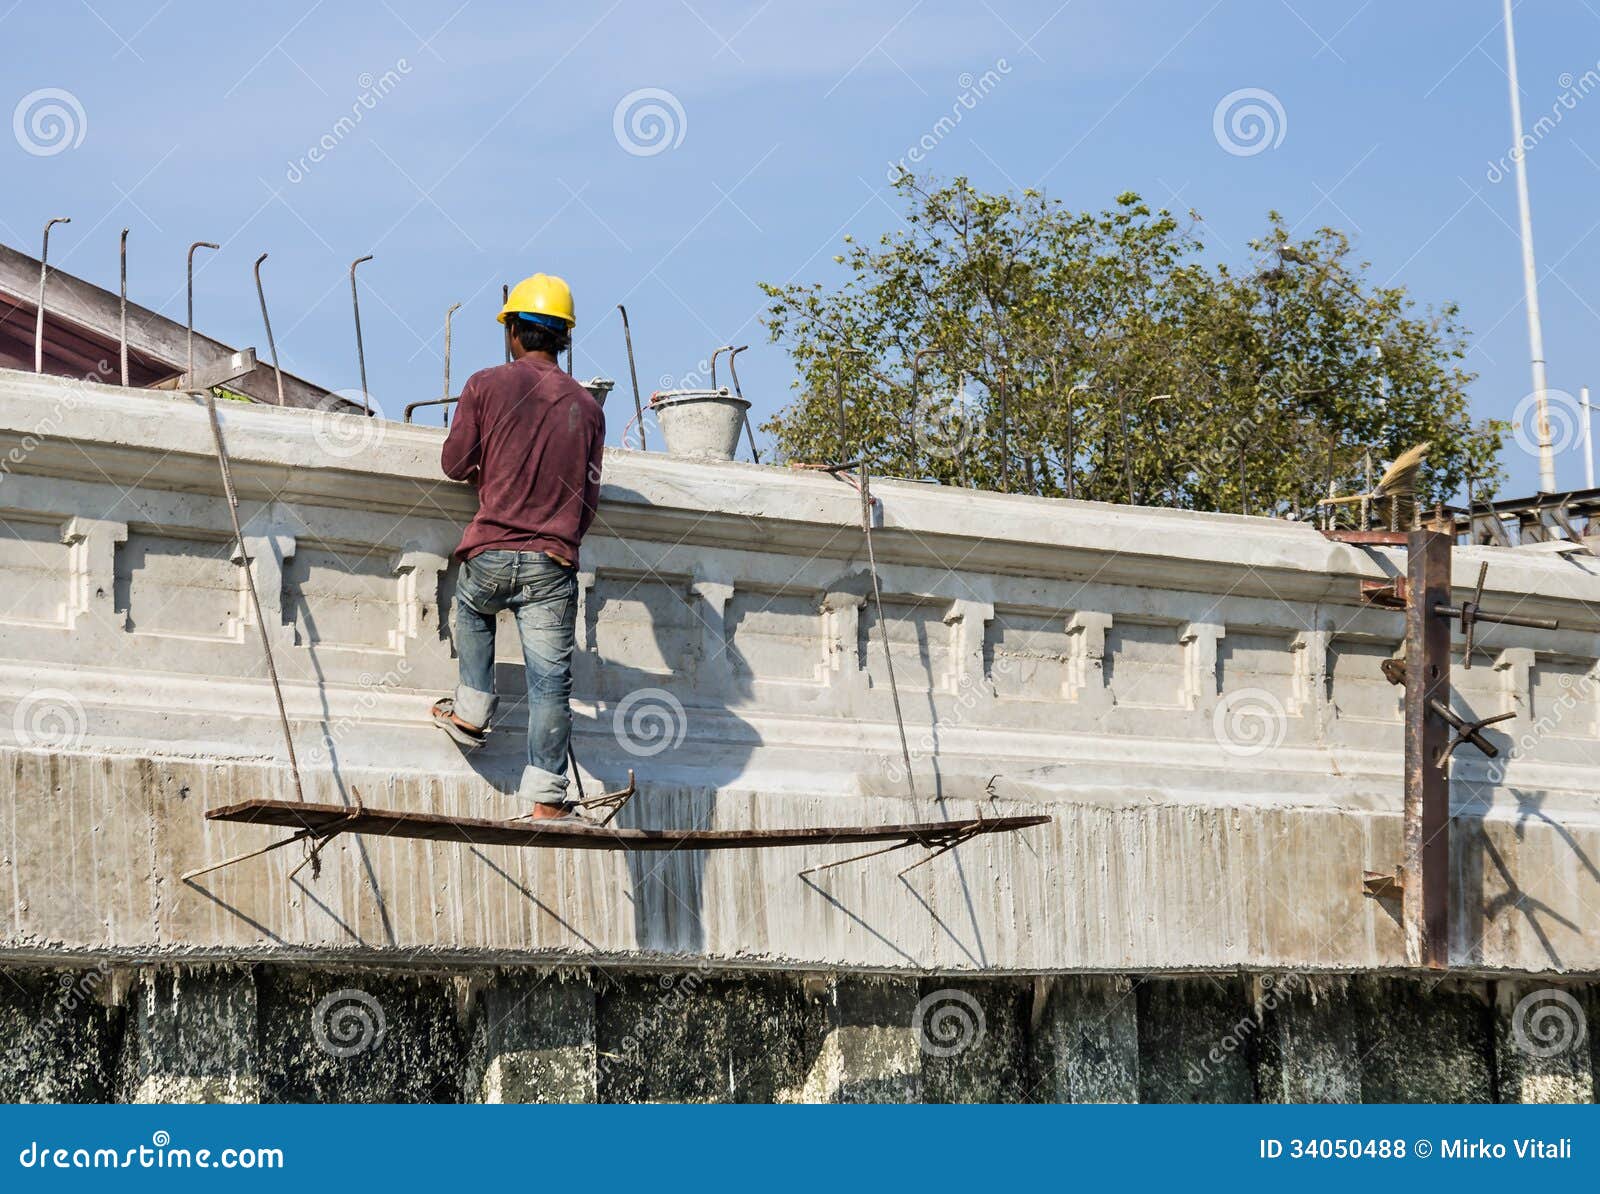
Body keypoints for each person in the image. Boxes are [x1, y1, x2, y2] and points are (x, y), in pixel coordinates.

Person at [431, 273, 604, 821]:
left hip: (489, 551)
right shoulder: (588, 408)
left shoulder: (486, 385)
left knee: (473, 609)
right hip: (552, 562)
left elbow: (454, 465)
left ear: (513, 332)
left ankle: (471, 710)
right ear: (564, 339)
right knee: (551, 684)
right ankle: (547, 800)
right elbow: (589, 503)